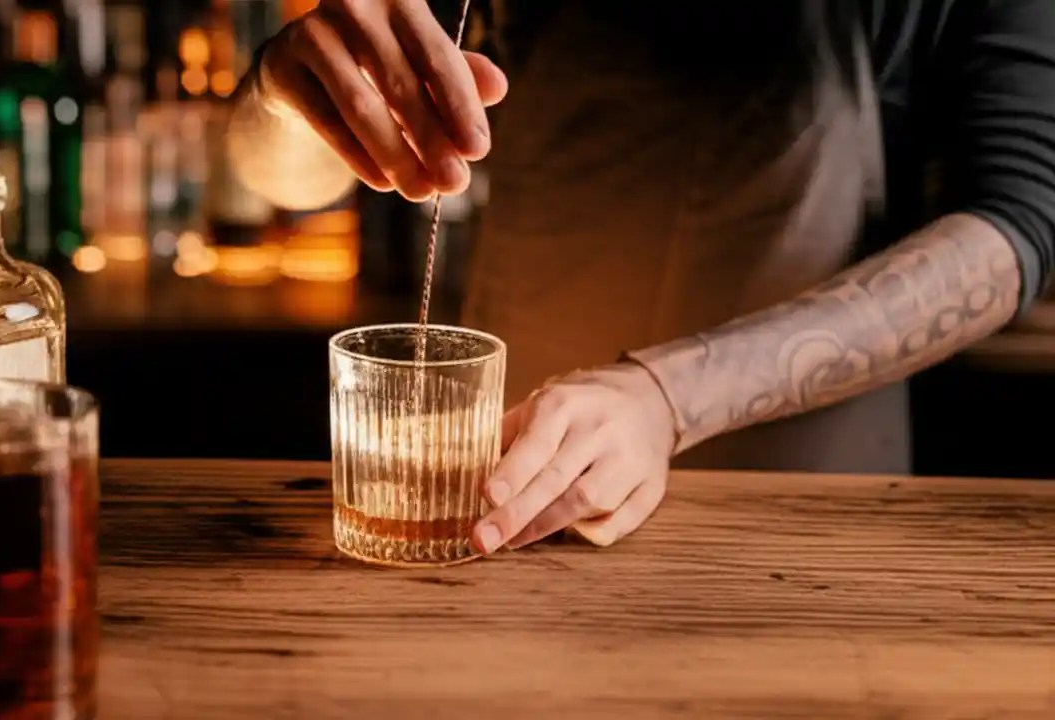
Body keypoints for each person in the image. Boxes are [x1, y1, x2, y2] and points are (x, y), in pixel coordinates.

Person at [226, 1, 1055, 555]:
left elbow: (1019, 224)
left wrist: (665, 399)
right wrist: (287, 96)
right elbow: (282, 182)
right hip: (512, 484)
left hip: (801, 508)